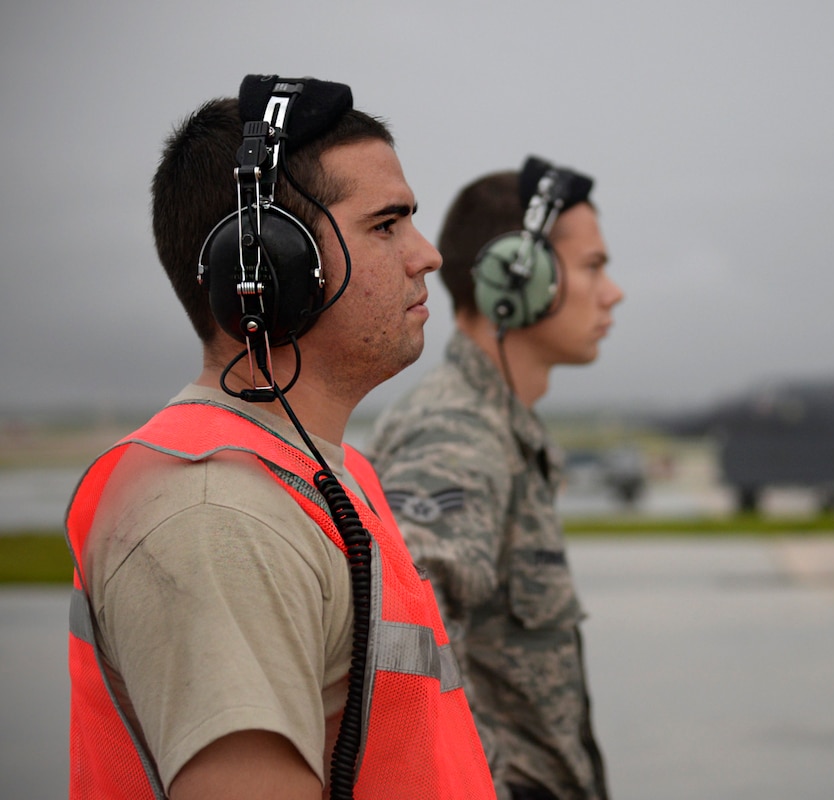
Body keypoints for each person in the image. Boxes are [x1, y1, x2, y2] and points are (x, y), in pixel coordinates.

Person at [63, 75, 495, 799]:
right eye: (386, 225)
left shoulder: (320, 476)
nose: (428, 256)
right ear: (266, 267)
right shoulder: (216, 516)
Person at [364, 156, 623, 800]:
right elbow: (409, 662)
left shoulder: (498, 427)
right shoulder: (456, 435)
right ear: (518, 275)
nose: (612, 291)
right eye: (593, 267)